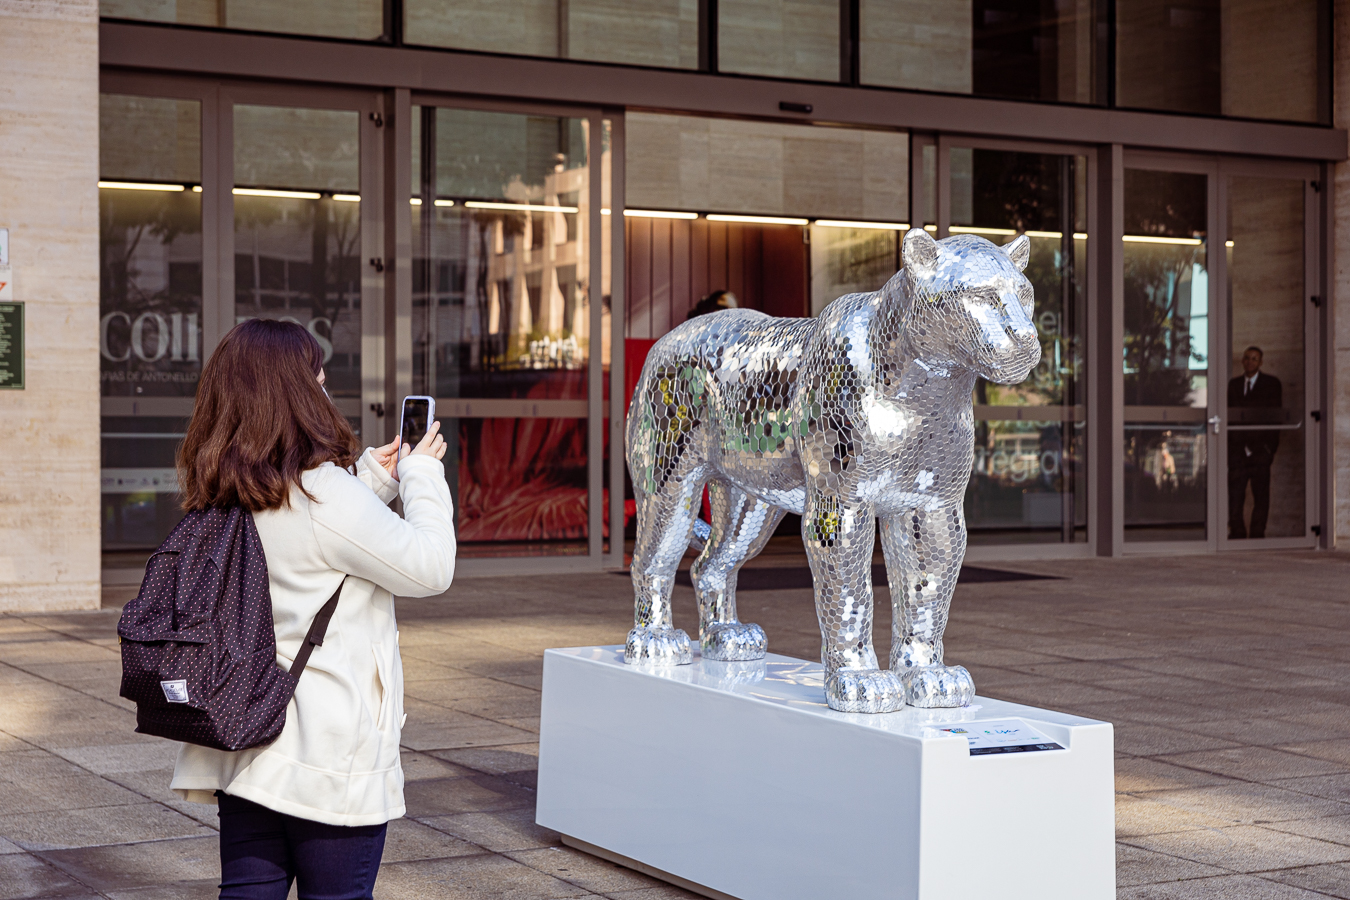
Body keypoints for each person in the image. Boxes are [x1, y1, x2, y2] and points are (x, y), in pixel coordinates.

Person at [170, 319, 456, 899]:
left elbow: (306, 544)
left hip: (243, 740)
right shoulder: (326, 493)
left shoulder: (225, 486)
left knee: (249, 891)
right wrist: (423, 476)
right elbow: (430, 567)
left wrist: (369, 481)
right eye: (319, 380)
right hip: (325, 755)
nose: (326, 392)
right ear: (297, 394)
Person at [1227, 345, 1282, 539]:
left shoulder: (1272, 384)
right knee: (1235, 496)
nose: (1250, 361)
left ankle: (1258, 534)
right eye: (1247, 358)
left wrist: (1269, 449)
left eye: (1254, 359)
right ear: (1242, 361)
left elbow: (1276, 417)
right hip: (1237, 452)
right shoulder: (1233, 385)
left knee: (1261, 497)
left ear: (1261, 362)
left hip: (1260, 451)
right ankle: (1237, 533)